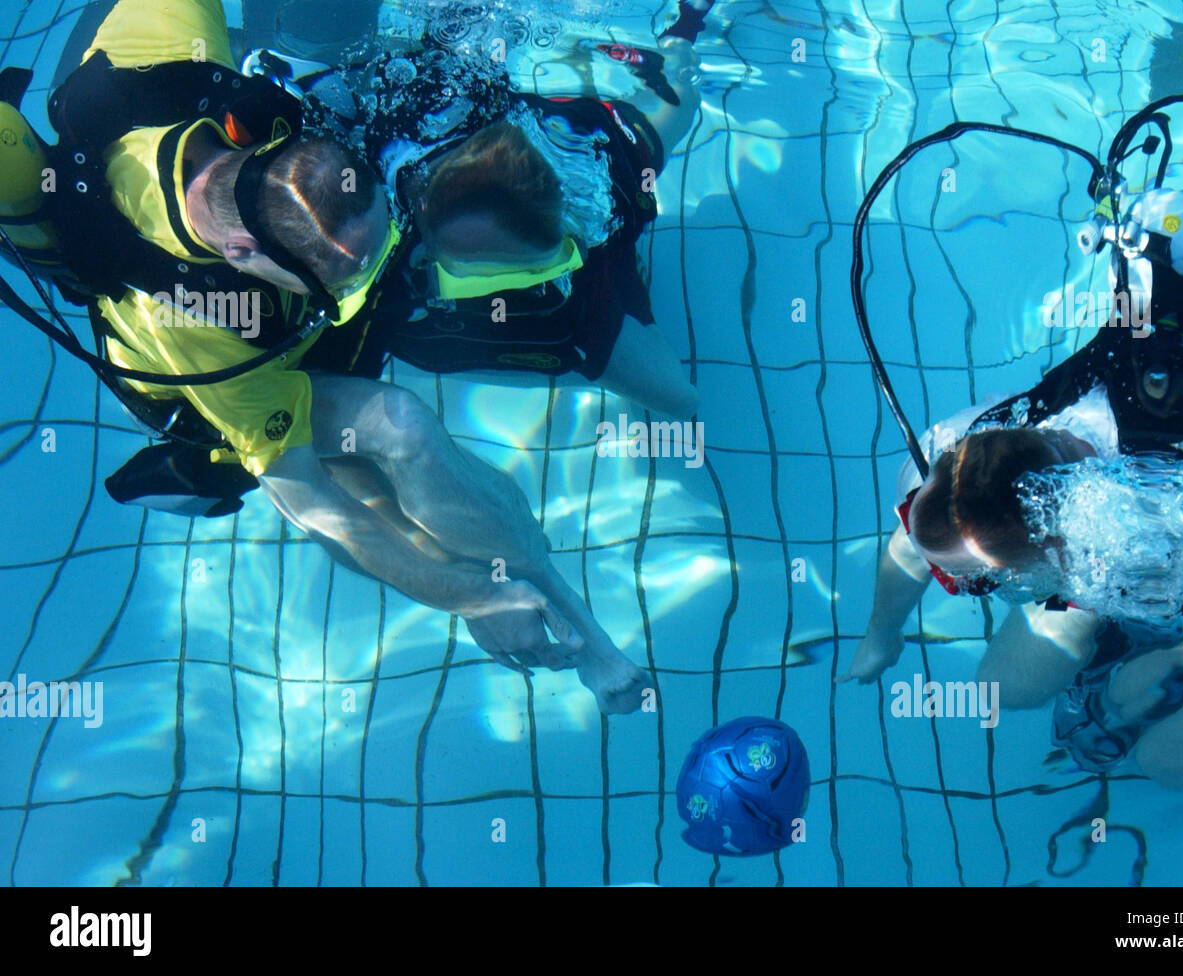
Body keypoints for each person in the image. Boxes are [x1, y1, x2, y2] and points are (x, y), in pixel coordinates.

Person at [1, 0, 653, 714]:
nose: (376, 272)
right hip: (230, 383)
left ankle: (554, 602)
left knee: (401, 446)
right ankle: (525, 606)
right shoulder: (185, 324)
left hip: (294, 320)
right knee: (386, 442)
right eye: (350, 272)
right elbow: (314, 505)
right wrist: (472, 595)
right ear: (243, 255)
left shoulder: (178, 58)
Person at [841, 323, 1183, 799]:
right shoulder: (958, 448)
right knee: (1006, 686)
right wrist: (881, 636)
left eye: (990, 582)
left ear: (1055, 548)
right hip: (1135, 558)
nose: (990, 587)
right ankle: (1128, 648)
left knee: (1176, 765)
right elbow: (913, 545)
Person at [246, 0, 717, 419]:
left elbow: (681, 399)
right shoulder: (367, 227)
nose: (495, 286)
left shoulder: (607, 164)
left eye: (525, 271)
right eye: (470, 270)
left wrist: (686, 25)